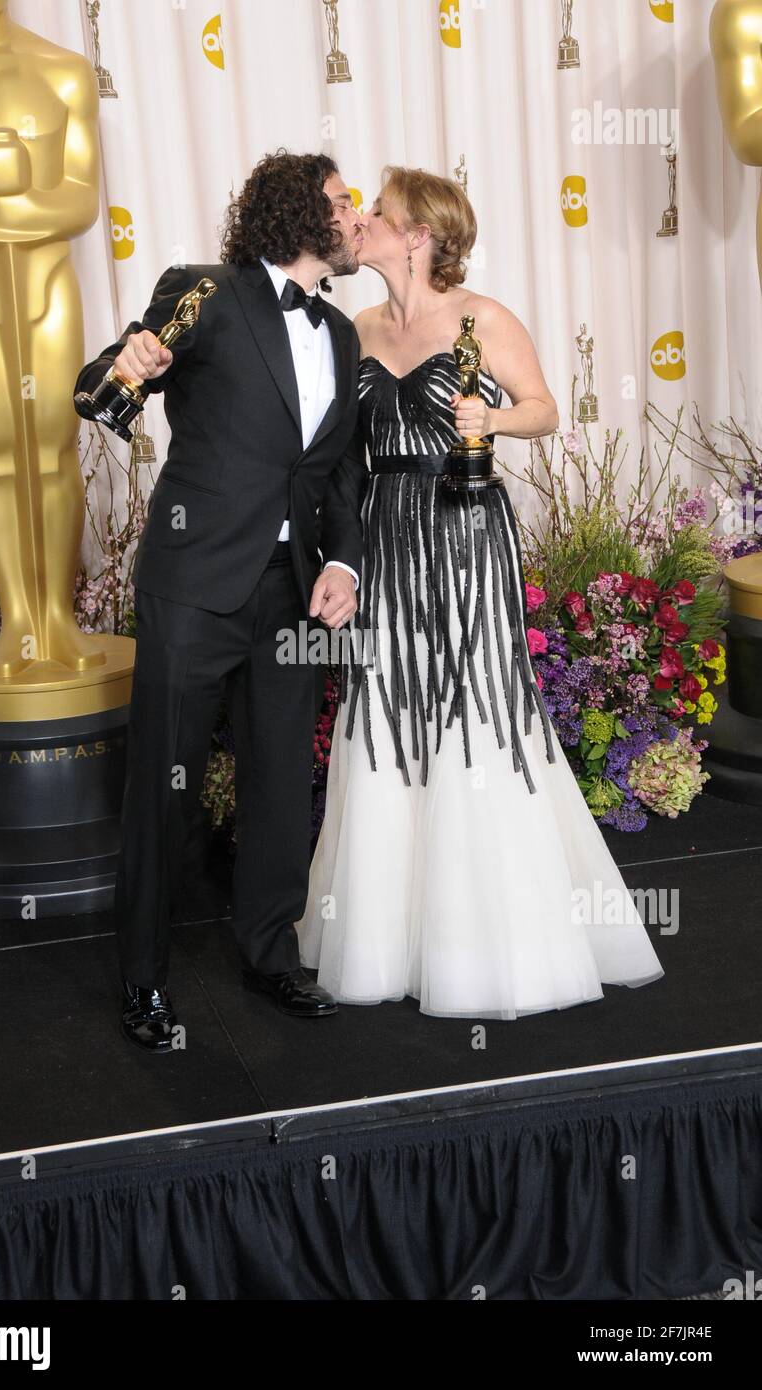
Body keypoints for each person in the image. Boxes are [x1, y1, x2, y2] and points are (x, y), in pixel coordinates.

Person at [295, 166, 665, 1018]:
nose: (365, 226)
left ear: (417, 233)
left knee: (470, 705)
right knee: (386, 707)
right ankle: (385, 937)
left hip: (462, 528)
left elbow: (544, 408)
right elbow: (344, 453)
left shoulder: (482, 317)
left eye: (378, 216)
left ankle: (488, 944)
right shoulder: (356, 326)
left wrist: (491, 420)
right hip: (380, 534)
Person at [75, 152, 368, 1049]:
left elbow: (343, 476)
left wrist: (345, 565)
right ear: (297, 216)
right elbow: (106, 388)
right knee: (166, 784)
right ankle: (144, 980)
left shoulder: (343, 334)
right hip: (196, 584)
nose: (355, 214)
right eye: (341, 201)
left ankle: (269, 953)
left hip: (292, 596)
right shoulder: (202, 290)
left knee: (281, 781)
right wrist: (124, 364)